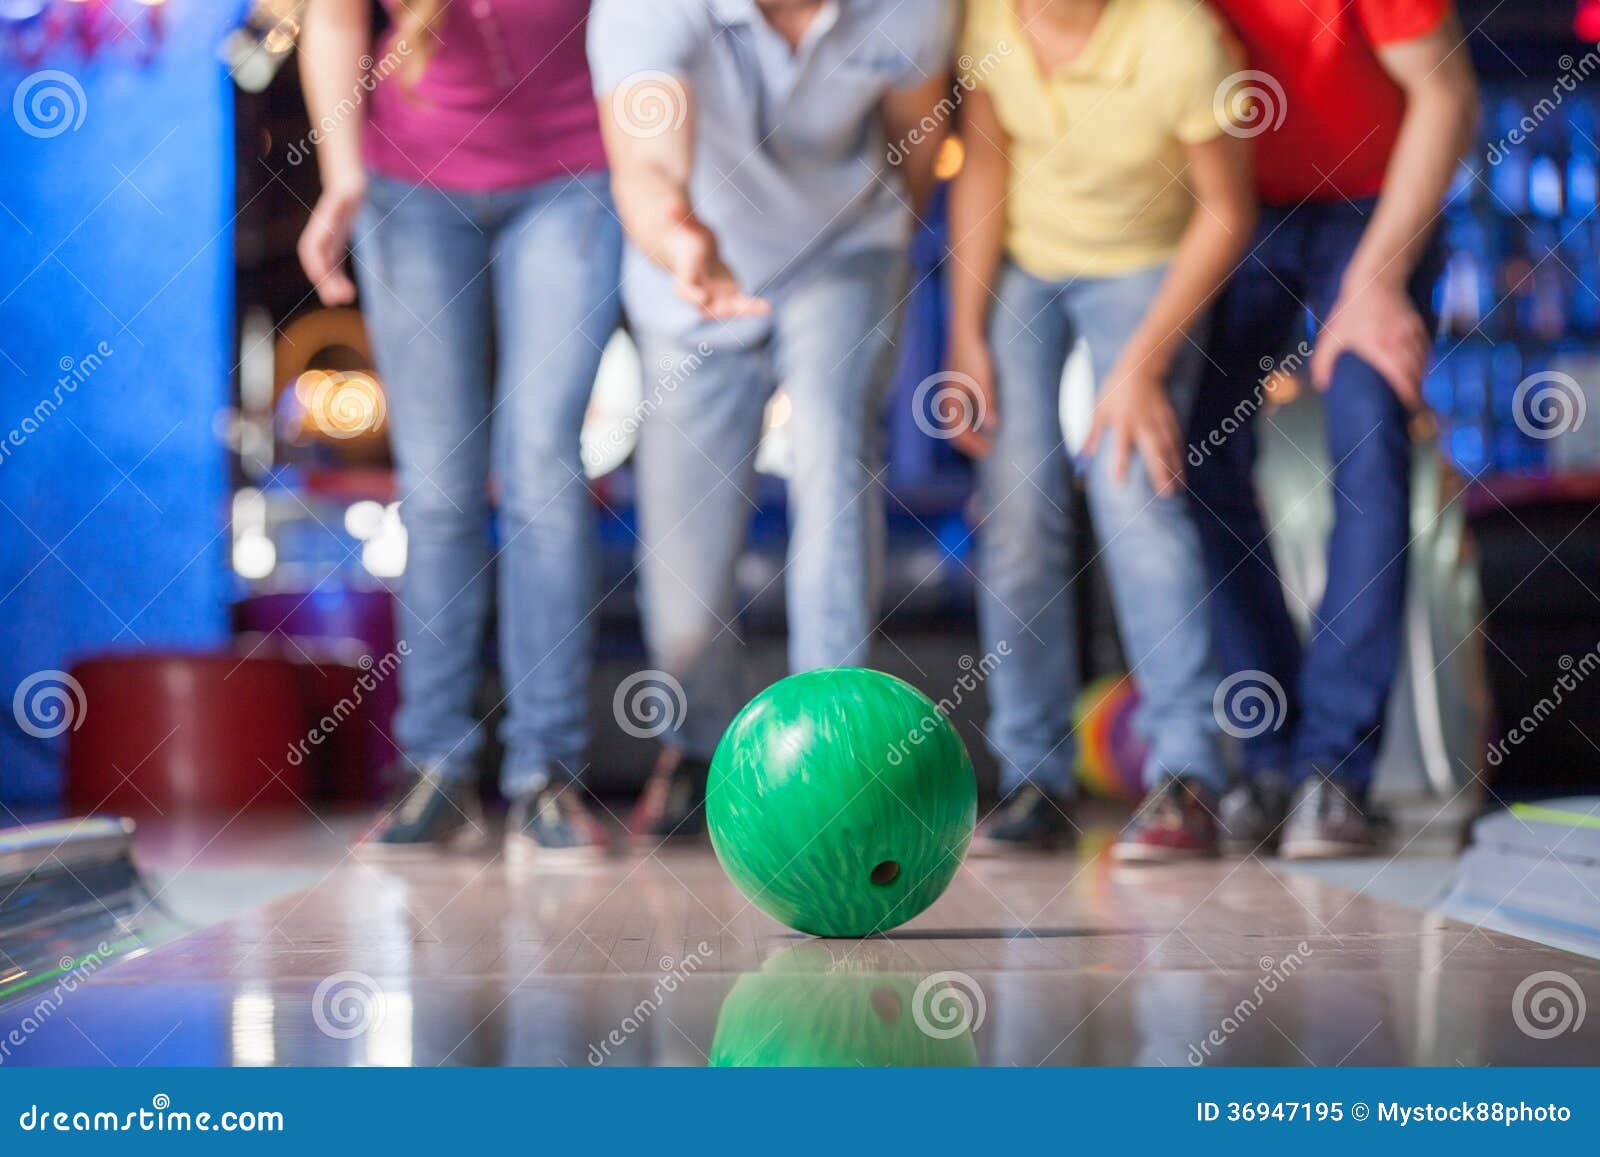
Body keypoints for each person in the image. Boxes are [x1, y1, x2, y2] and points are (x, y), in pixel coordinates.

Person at [587, 0, 957, 841]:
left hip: (845, 250)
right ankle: (696, 749)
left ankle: (836, 749)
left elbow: (917, 137)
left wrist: (882, 245)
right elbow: (645, 169)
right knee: (684, 583)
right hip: (692, 266)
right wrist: (684, 244)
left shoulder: (913, 8)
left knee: (834, 443)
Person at [296, 0, 621, 856]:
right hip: (410, 185)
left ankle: (547, 770)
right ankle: (435, 767)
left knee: (543, 470)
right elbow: (334, 22)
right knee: (439, 487)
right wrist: (341, 176)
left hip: (575, 175)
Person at [945, 0, 1255, 860]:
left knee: (1133, 488)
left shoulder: (1180, 40)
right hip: (1027, 261)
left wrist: (1142, 364)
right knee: (1017, 508)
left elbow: (1227, 211)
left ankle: (1187, 774)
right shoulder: (986, 19)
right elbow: (985, 162)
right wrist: (966, 332)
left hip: (1146, 264)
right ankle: (1033, 778)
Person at [1186, 0, 1477, 859]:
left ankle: (1333, 771)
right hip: (1238, 204)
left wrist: (1376, 282)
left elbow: (1448, 95)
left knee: (1370, 437)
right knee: (1195, 451)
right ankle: (1271, 759)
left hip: (1375, 199)